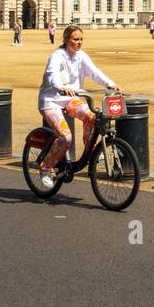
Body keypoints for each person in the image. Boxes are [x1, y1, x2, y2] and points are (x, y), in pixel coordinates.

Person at [34, 25, 120, 191]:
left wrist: (110, 84)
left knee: (92, 118)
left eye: (81, 39)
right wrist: (60, 86)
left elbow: (94, 72)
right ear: (67, 40)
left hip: (71, 99)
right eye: (75, 39)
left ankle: (91, 154)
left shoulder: (81, 56)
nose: (79, 43)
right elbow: (52, 75)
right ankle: (45, 168)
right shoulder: (57, 56)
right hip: (51, 101)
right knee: (66, 137)